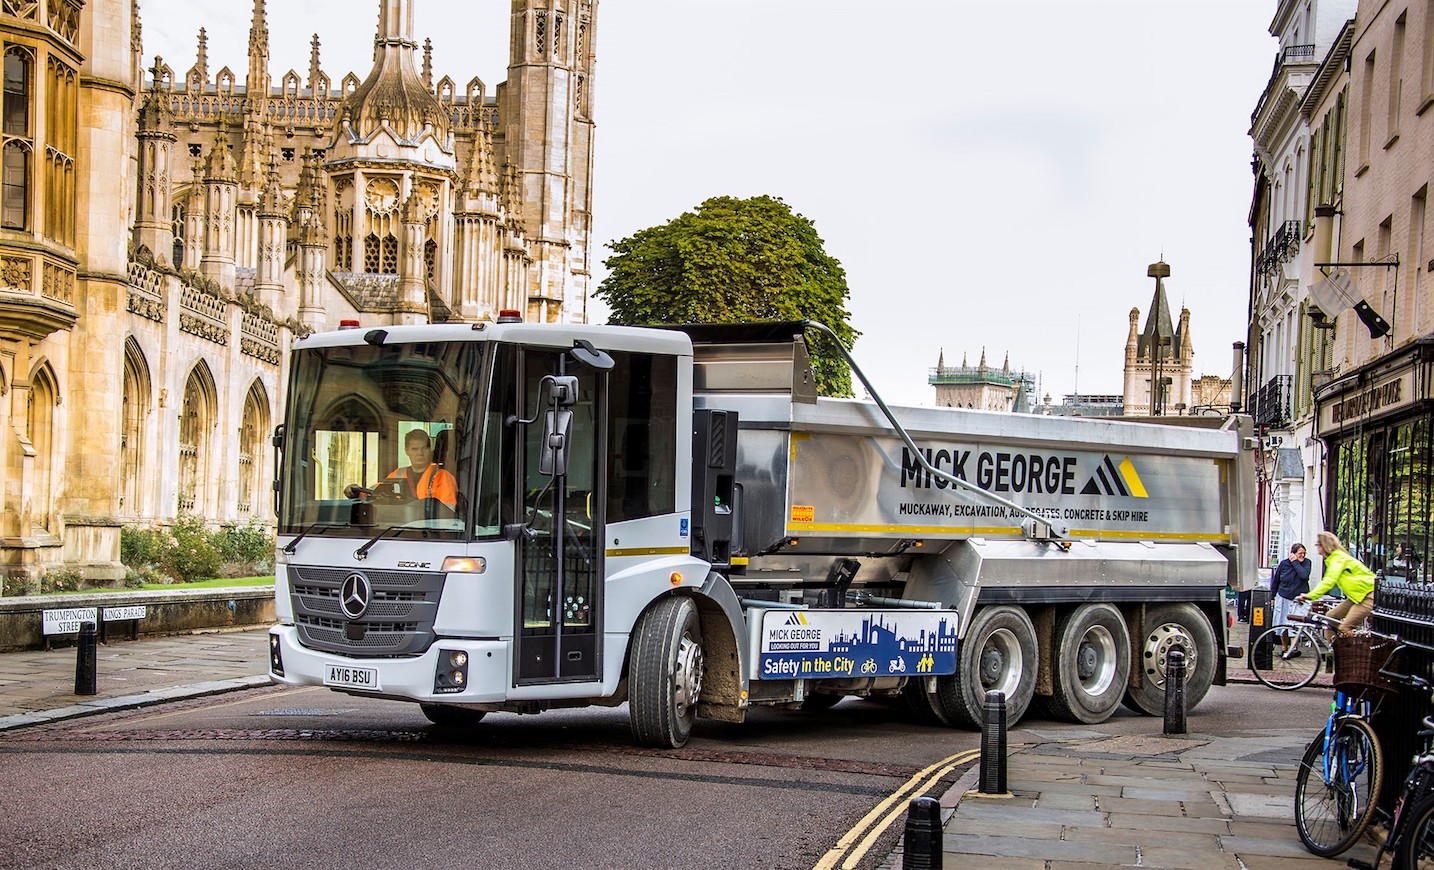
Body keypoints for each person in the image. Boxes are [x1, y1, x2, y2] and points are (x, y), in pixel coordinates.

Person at [1297, 531, 1377, 640]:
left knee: (1345, 628)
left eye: (1317, 545)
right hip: (1357, 597)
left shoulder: (1338, 558)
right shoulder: (1334, 558)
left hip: (1368, 596)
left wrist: (1310, 596)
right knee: (1330, 617)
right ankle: (1333, 650)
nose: (1316, 548)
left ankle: (1357, 650)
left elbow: (1329, 581)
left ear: (1324, 545)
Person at [345, 429, 457, 508]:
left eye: (424, 448)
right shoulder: (397, 474)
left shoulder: (443, 477)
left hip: (429, 535)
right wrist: (355, 491)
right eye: (414, 449)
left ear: (430, 450)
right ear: (406, 450)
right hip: (398, 532)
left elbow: (447, 512)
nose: (420, 453)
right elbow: (375, 493)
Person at [1269, 542, 1311, 658]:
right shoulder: (1283, 564)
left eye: (1304, 553)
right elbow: (1276, 581)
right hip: (1284, 596)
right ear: (1293, 553)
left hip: (1299, 599)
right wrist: (1272, 597)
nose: (1302, 555)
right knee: (1283, 623)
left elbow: (1304, 576)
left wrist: (1295, 562)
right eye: (1300, 553)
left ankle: (1293, 648)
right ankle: (1284, 647)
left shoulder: (1307, 563)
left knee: (1296, 623)